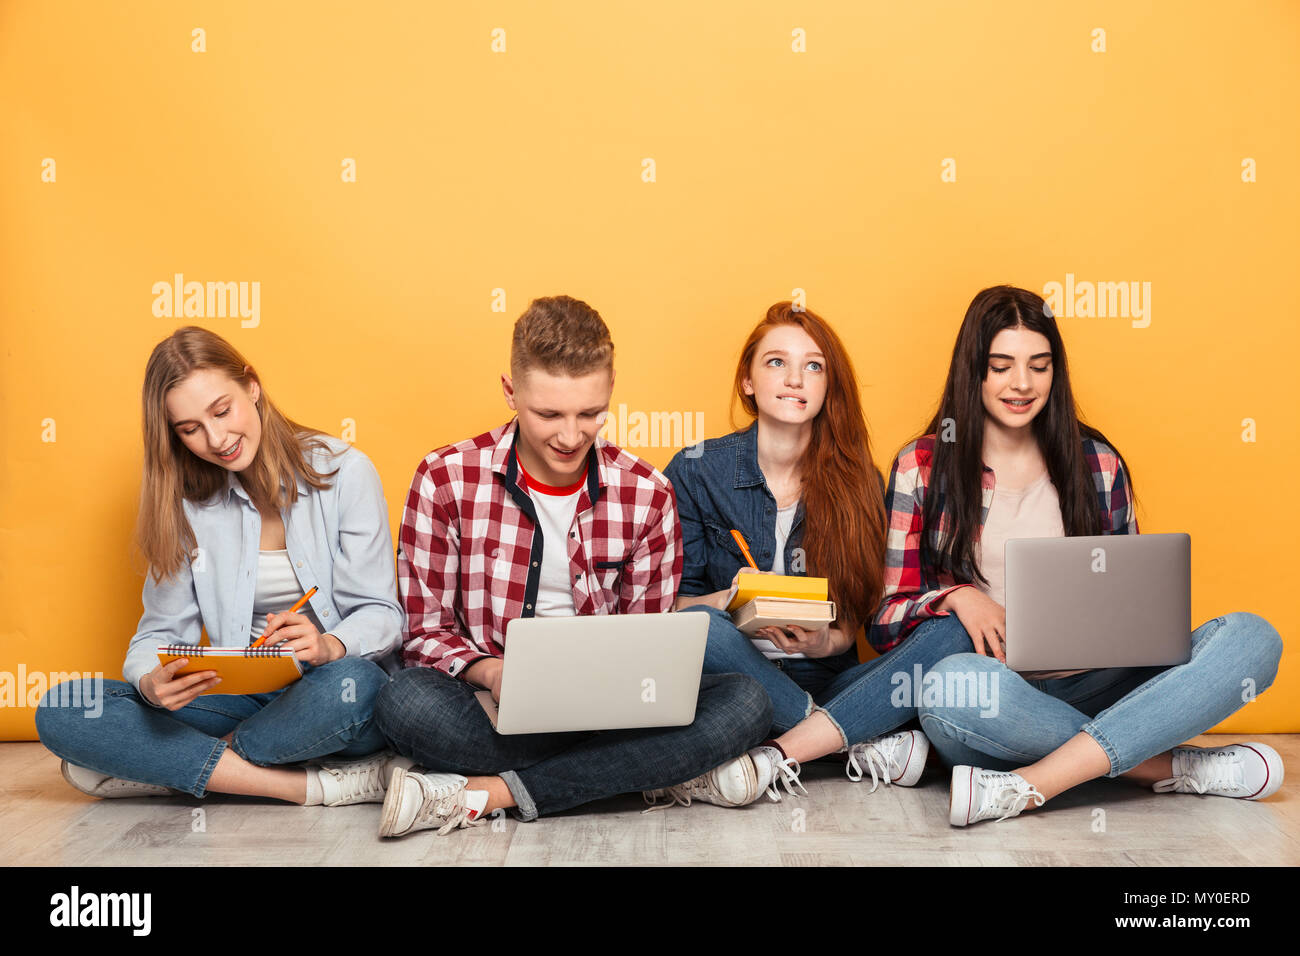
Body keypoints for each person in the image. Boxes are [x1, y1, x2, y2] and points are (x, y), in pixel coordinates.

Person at [878, 286, 1284, 826]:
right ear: (971, 372)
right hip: (1006, 698)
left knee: (1252, 638)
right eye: (1000, 367)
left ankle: (1028, 785)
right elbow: (884, 623)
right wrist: (956, 598)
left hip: (1106, 685)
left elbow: (1138, 607)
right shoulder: (921, 466)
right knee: (949, 689)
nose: (1021, 384)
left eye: (1038, 366)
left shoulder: (1098, 463)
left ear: (1055, 372)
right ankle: (1166, 765)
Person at [372, 295, 773, 838]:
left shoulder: (647, 493)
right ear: (510, 392)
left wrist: (624, 692)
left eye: (590, 414)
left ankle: (492, 792)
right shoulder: (445, 478)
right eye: (548, 414)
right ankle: (654, 772)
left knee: (747, 702)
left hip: (611, 714)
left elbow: (651, 645)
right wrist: (488, 671)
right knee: (404, 701)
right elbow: (425, 633)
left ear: (610, 390)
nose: (569, 436)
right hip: (490, 707)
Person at [36, 326, 407, 808]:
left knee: (356, 689)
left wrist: (327, 644)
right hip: (239, 701)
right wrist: (152, 683)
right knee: (62, 709)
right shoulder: (184, 503)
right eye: (189, 429)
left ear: (251, 386)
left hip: (327, 693)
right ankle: (302, 785)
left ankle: (173, 766)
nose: (216, 439)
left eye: (221, 410)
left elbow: (382, 613)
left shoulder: (346, 472)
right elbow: (157, 634)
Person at [666, 302, 975, 797]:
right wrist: (732, 599)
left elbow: (856, 620)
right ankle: (842, 740)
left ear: (828, 385)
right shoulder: (697, 470)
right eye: (776, 362)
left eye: (813, 366)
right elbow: (670, 609)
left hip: (827, 679)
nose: (795, 379)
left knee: (951, 638)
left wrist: (822, 642)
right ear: (747, 381)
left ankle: (789, 743)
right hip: (733, 684)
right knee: (698, 627)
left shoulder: (860, 481)